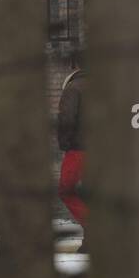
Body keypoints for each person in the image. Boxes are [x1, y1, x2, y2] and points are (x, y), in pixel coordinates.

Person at [57, 63, 87, 251]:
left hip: (78, 148)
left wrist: (64, 144)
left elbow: (66, 119)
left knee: (65, 190)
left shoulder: (73, 88)